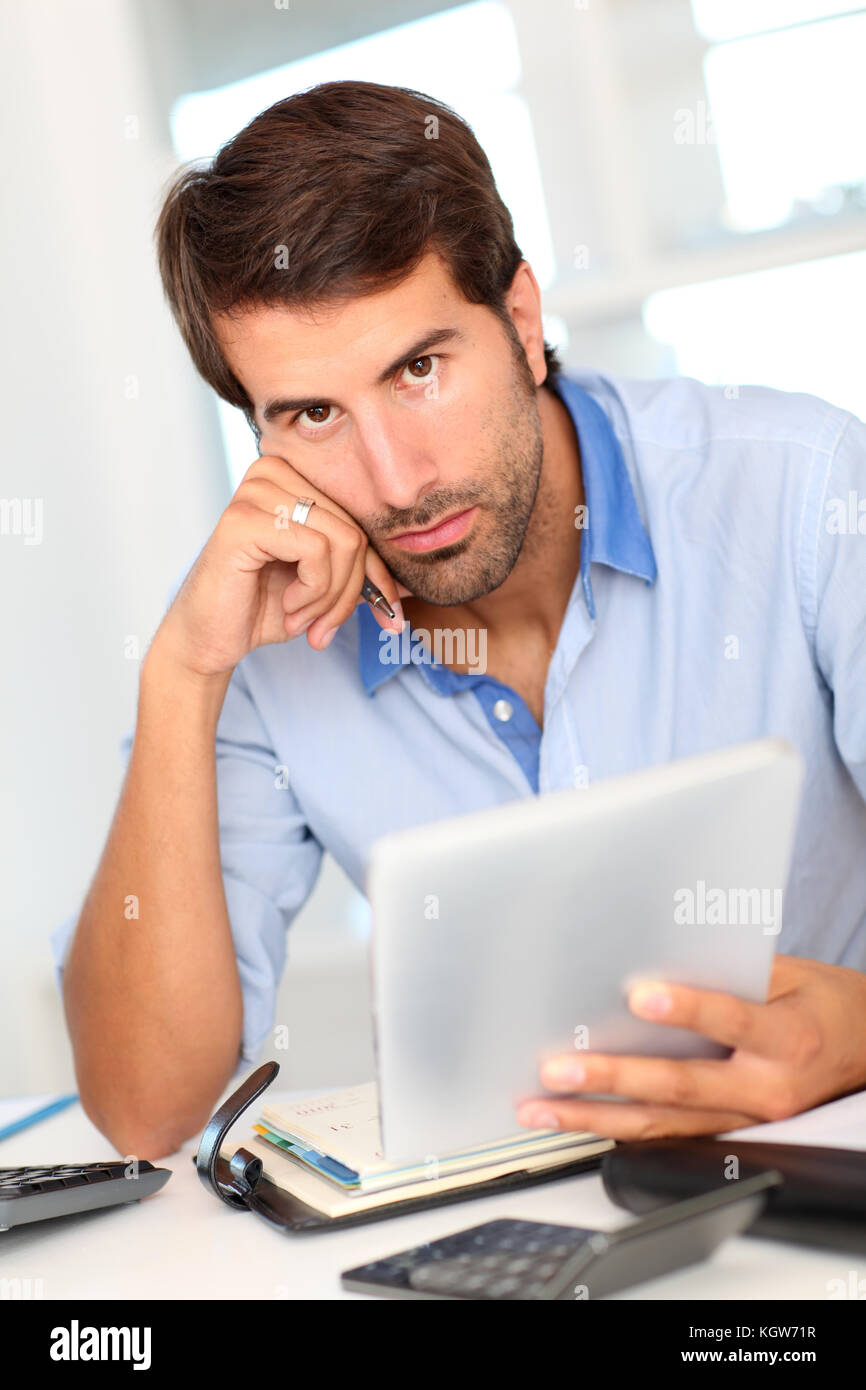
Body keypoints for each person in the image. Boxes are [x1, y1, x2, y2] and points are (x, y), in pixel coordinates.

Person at [52, 80, 866, 1159]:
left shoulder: (804, 495)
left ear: (520, 322)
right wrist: (180, 676)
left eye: (418, 369)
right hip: (498, 1238)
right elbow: (146, 1108)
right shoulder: (256, 627)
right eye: (311, 414)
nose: (396, 483)